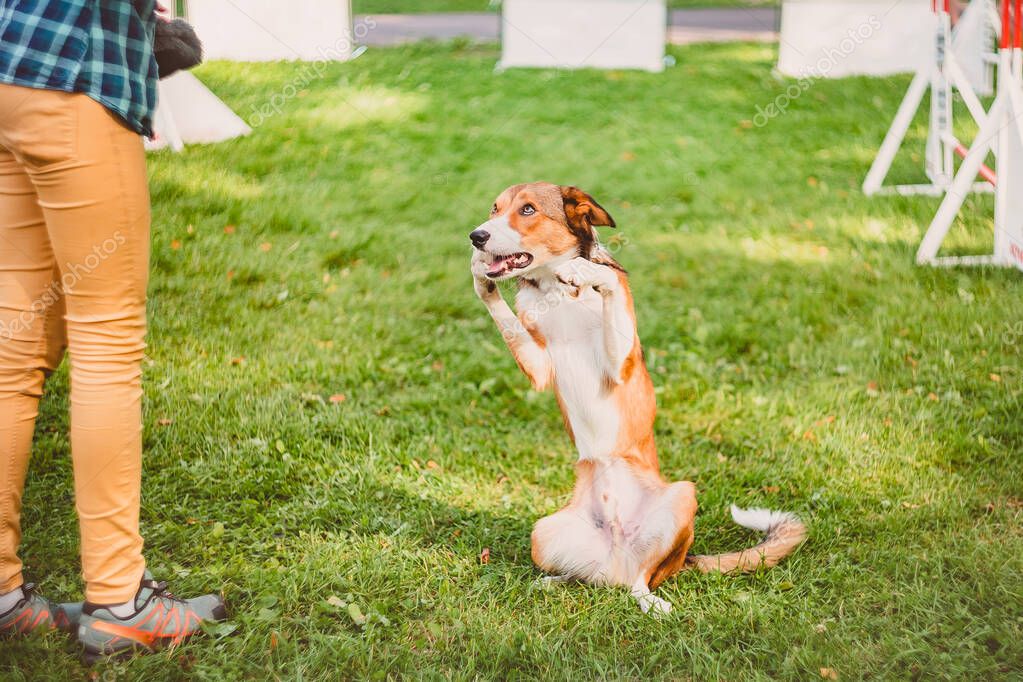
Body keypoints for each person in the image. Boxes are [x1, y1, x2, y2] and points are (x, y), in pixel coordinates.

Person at [0, 0, 226, 659]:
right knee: (107, 343)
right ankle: (121, 600)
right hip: (78, 77)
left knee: (14, 346)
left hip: (12, 71)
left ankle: (4, 595)